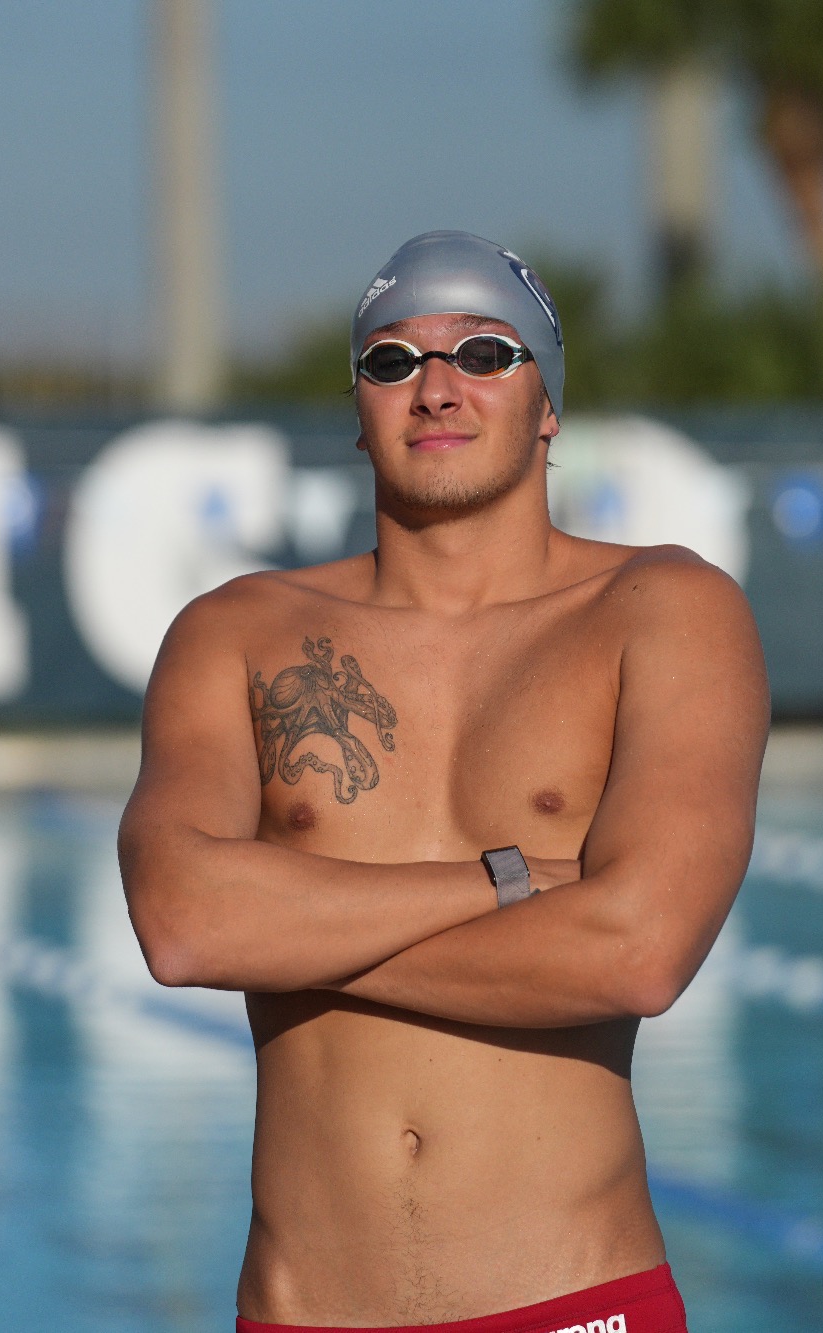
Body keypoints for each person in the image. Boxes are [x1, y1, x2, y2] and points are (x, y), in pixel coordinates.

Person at [119, 230, 769, 1333]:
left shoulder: (663, 612)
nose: (435, 386)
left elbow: (636, 952)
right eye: (391, 362)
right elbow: (182, 924)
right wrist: (510, 881)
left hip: (573, 1303)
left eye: (483, 352)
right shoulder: (234, 633)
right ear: (359, 412)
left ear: (547, 405)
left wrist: (288, 923)